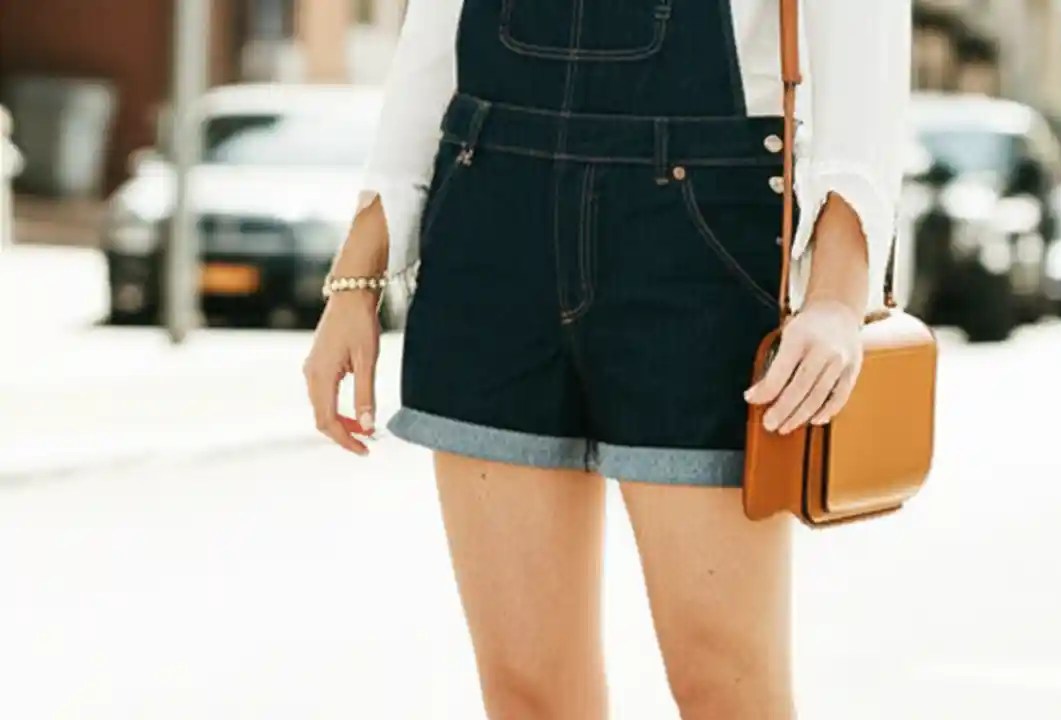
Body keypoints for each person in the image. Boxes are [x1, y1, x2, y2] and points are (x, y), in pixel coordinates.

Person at [304, 1, 910, 717]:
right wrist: (358, 276)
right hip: (491, 207)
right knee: (526, 693)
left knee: (726, 685)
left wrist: (839, 296)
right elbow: (434, 31)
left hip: (701, 230)